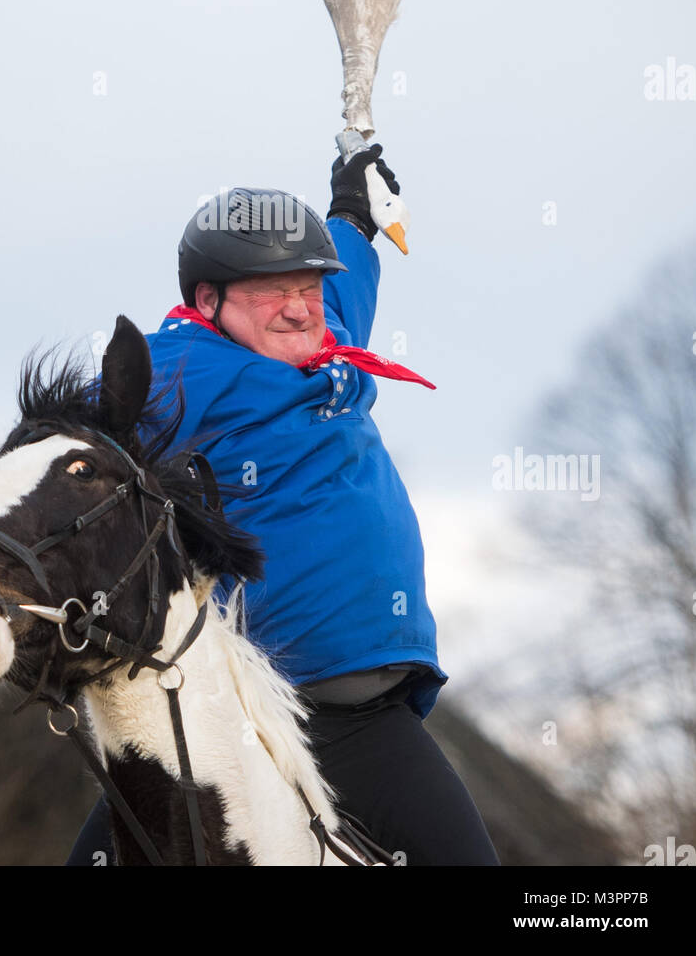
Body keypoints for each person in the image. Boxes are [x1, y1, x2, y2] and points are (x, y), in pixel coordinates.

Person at [67, 144, 499, 866]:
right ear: (208, 300)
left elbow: (348, 281)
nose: (300, 307)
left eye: (309, 286)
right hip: (251, 713)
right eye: (274, 290)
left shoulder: (320, 339)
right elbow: (64, 451)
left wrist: (354, 211)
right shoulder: (177, 366)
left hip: (367, 721)